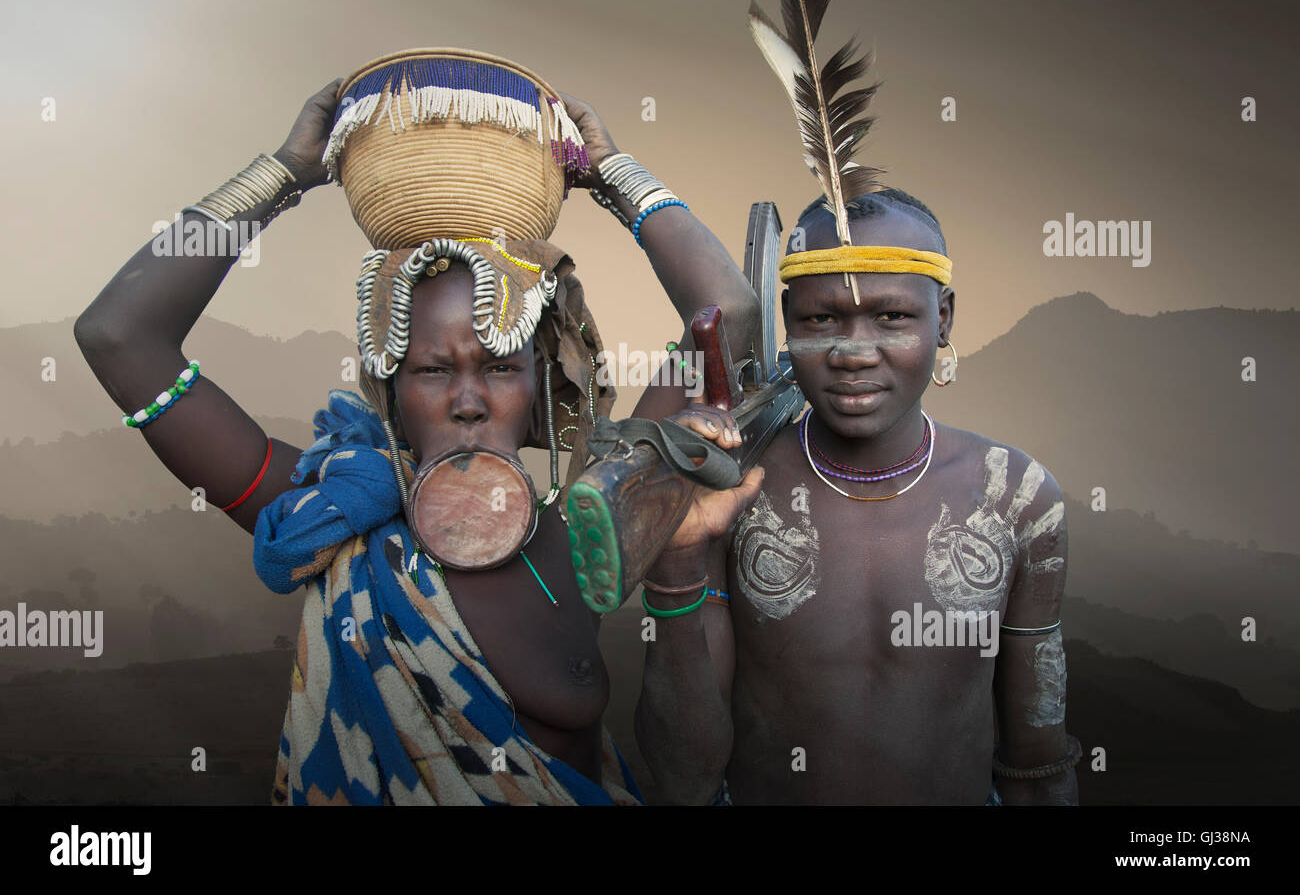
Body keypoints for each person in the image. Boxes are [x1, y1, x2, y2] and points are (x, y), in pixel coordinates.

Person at [73, 68, 758, 805]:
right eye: (432, 369)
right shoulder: (327, 518)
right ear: (390, 393)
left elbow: (725, 312)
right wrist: (284, 174)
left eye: (498, 366)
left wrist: (612, 173)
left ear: (541, 392)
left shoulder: (592, 526)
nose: (467, 400)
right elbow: (119, 337)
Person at [633, 189, 1080, 804]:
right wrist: (676, 562)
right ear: (787, 320)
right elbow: (686, 779)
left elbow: (1037, 768)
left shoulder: (1017, 498)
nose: (853, 352)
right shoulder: (730, 494)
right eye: (821, 320)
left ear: (943, 317)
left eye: (892, 317)